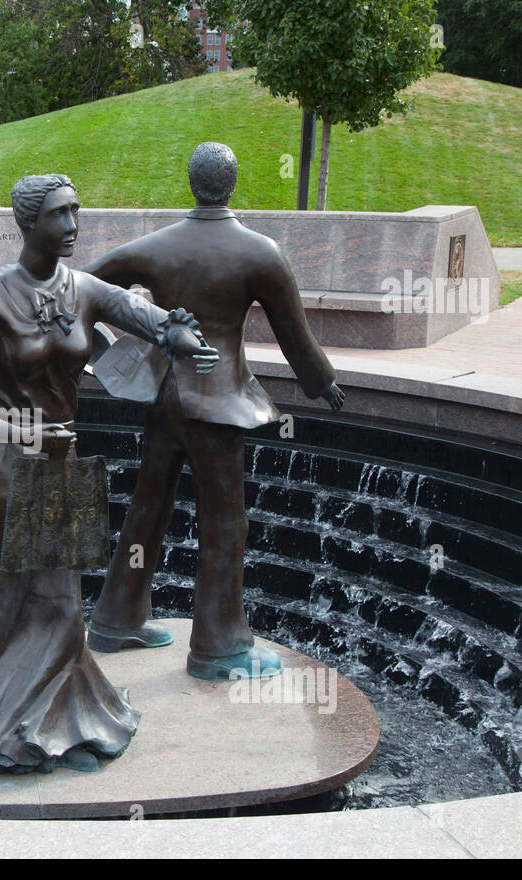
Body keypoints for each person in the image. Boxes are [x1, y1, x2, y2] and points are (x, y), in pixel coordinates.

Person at [0, 174, 216, 777]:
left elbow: (149, 318)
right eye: (60, 214)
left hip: (65, 465)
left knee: (50, 609)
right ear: (28, 222)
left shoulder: (85, 289)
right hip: (14, 465)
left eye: (77, 211)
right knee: (20, 605)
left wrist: (181, 336)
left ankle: (42, 722)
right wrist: (24, 433)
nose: (73, 226)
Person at [88, 142, 345, 679]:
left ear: (191, 182)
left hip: (164, 401)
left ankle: (115, 620)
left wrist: (100, 356)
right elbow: (297, 342)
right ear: (232, 182)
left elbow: (79, 290)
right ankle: (218, 646)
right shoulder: (260, 253)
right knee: (225, 522)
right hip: (218, 404)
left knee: (148, 507)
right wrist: (324, 386)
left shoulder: (157, 246)